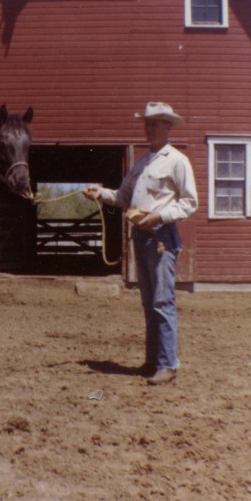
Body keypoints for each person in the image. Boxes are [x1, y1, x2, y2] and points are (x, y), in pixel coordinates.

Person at [84, 102, 198, 385]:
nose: (150, 128)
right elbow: (123, 197)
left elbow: (189, 203)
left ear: (168, 127)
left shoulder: (177, 160)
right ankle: (153, 361)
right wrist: (100, 193)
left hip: (161, 235)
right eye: (147, 123)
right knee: (149, 302)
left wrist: (159, 215)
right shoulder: (141, 162)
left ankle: (168, 364)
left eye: (156, 123)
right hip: (141, 237)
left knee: (162, 300)